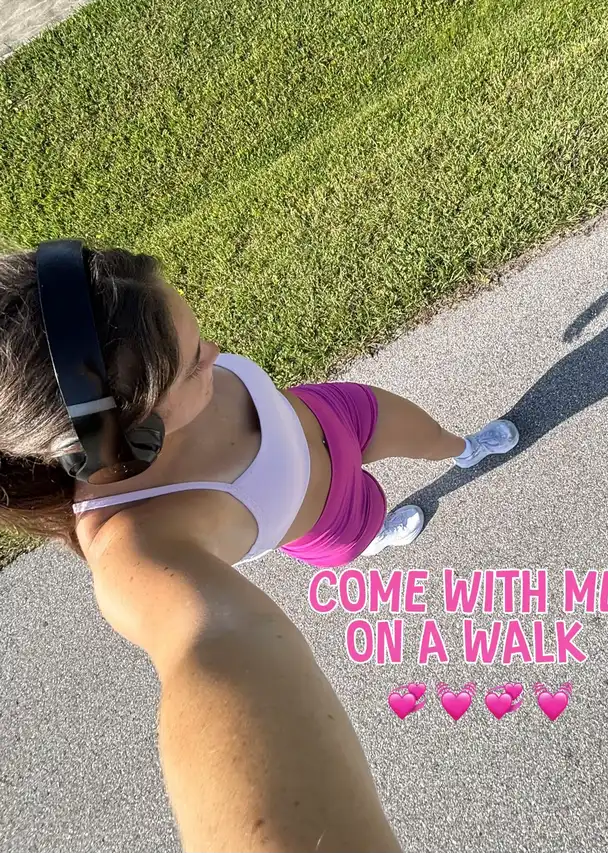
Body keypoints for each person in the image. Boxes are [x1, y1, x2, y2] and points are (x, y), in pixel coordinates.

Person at [0, 243, 519, 851]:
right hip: (332, 519)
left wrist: (193, 367)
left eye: (199, 336)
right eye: (194, 365)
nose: (216, 353)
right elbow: (210, 643)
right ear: (133, 433)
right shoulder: (136, 537)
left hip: (335, 411)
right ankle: (376, 534)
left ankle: (463, 449)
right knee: (370, 522)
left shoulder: (146, 357)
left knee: (436, 439)